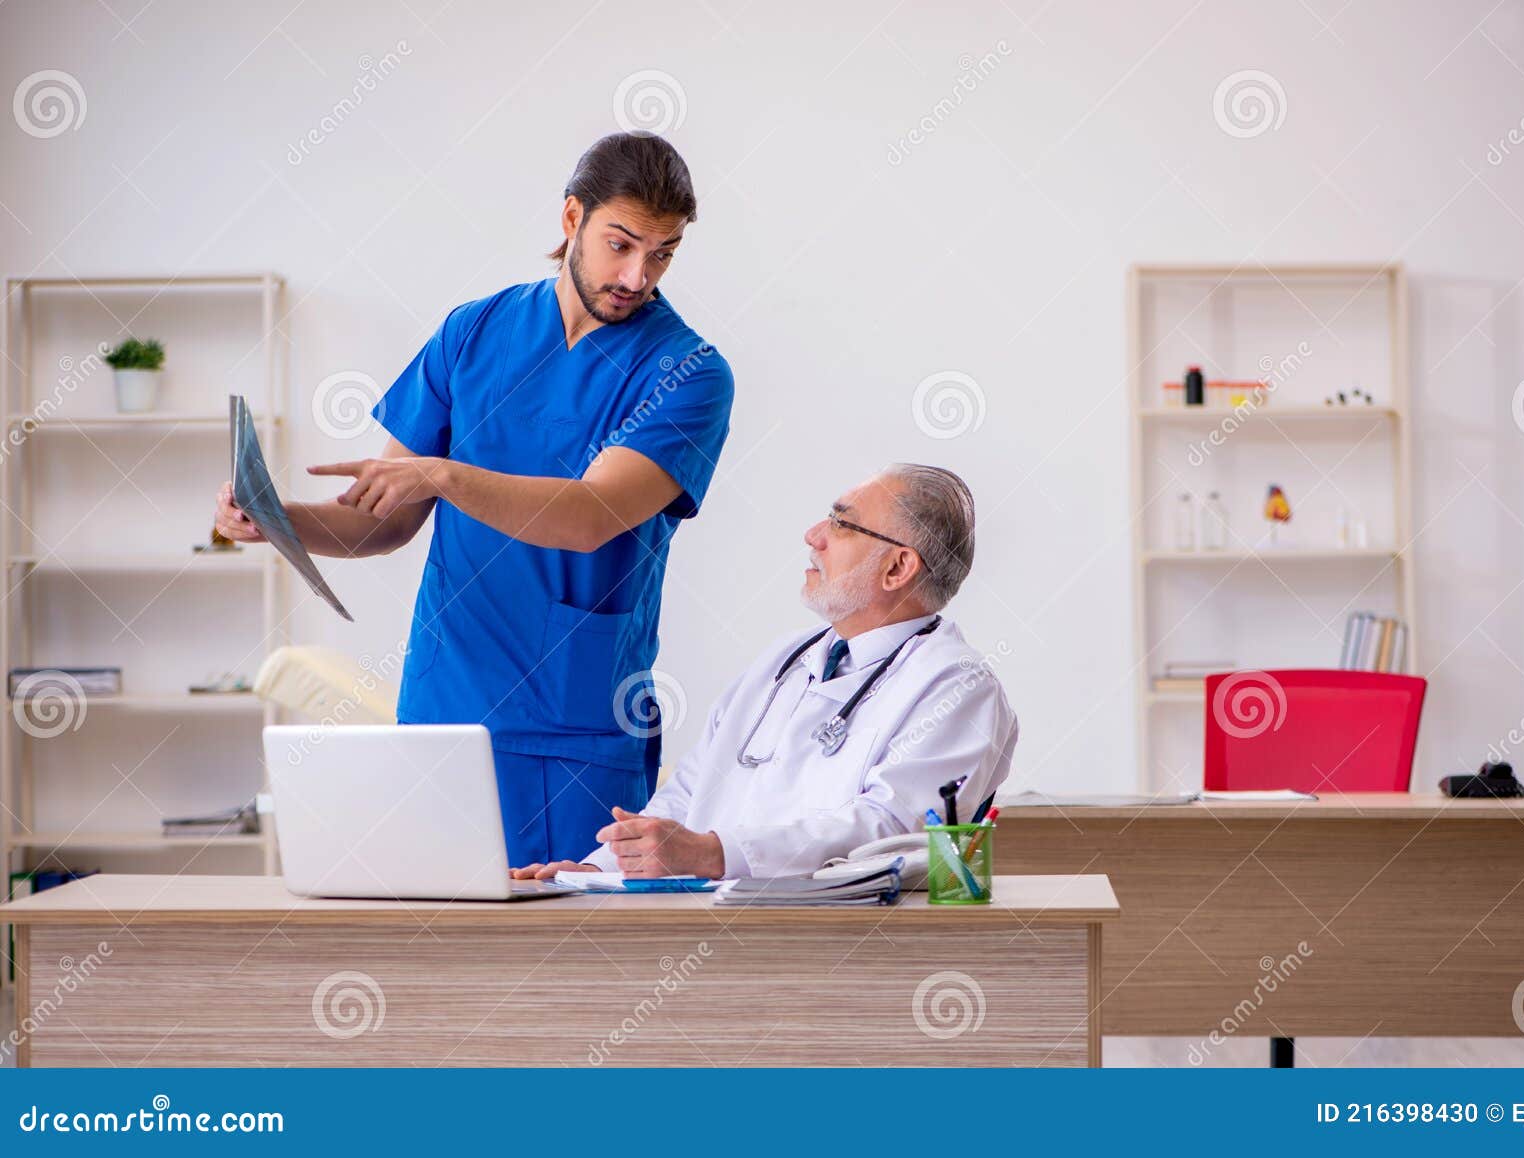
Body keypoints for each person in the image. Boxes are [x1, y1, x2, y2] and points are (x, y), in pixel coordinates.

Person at [214, 132, 735, 867]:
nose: (636, 275)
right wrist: (274, 518)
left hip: (578, 722)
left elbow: (591, 517)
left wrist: (443, 475)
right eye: (620, 244)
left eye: (662, 254)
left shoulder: (689, 372)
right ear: (572, 218)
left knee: (574, 934)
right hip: (446, 705)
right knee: (440, 929)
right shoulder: (473, 332)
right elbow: (384, 520)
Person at [512, 465, 1017, 880]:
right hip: (715, 919)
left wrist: (714, 854)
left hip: (835, 939)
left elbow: (894, 829)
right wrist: (593, 871)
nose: (814, 536)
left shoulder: (957, 686)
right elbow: (690, 792)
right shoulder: (785, 660)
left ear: (898, 568)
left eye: (842, 525)